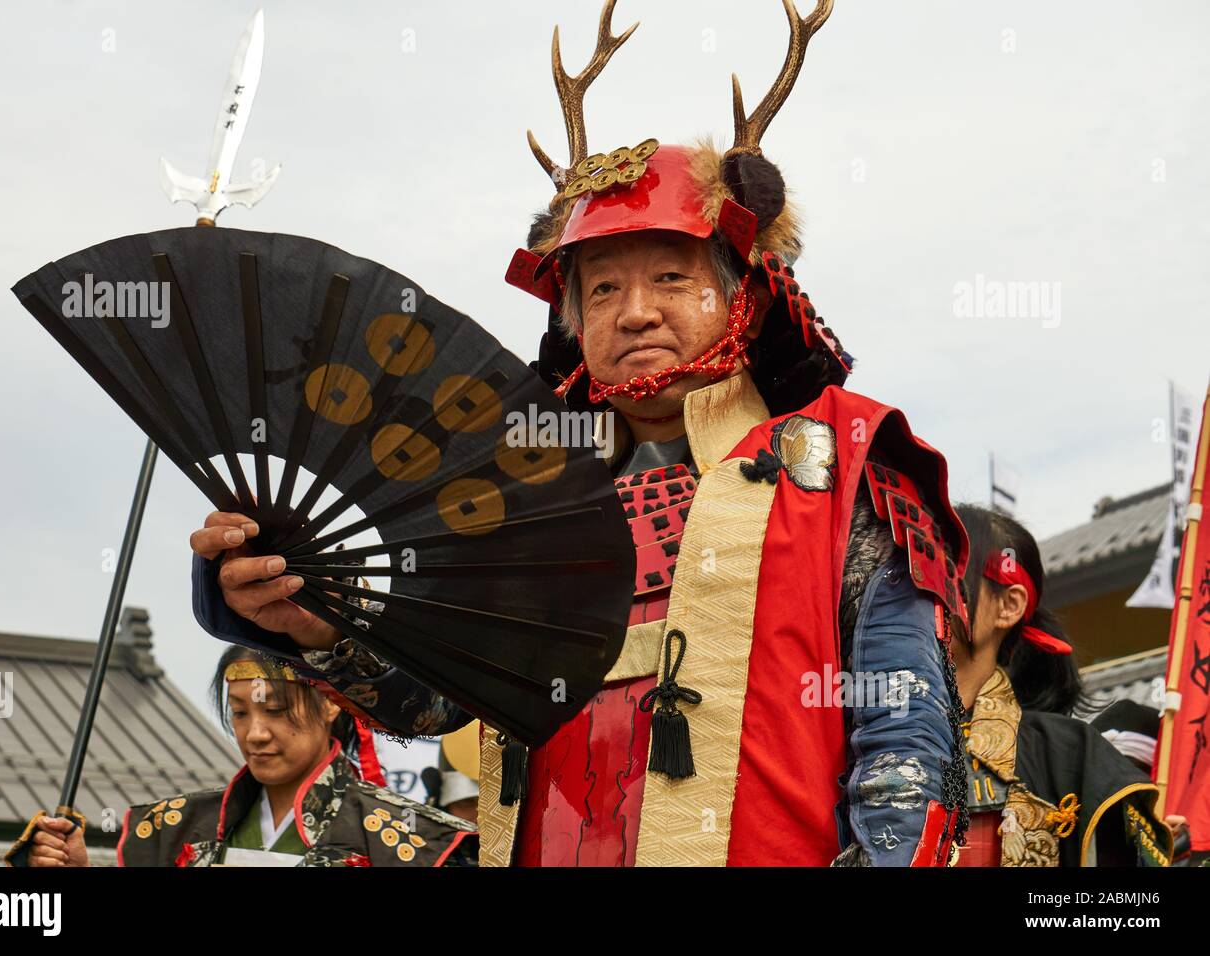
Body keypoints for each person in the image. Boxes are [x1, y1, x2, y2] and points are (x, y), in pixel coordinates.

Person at [191, 0, 973, 866]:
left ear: (740, 295)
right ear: (571, 318)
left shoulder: (843, 463)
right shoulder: (515, 495)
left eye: (672, 277)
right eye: (601, 289)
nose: (635, 311)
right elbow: (433, 705)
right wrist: (310, 621)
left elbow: (905, 741)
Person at [6, 645, 476, 867]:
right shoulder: (173, 830)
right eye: (239, 713)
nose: (255, 734)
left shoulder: (414, 843)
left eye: (275, 710)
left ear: (331, 703)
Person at [951, 503, 1172, 867]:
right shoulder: (851, 741)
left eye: (941, 567)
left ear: (1008, 605)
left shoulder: (1074, 759)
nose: (915, 583)